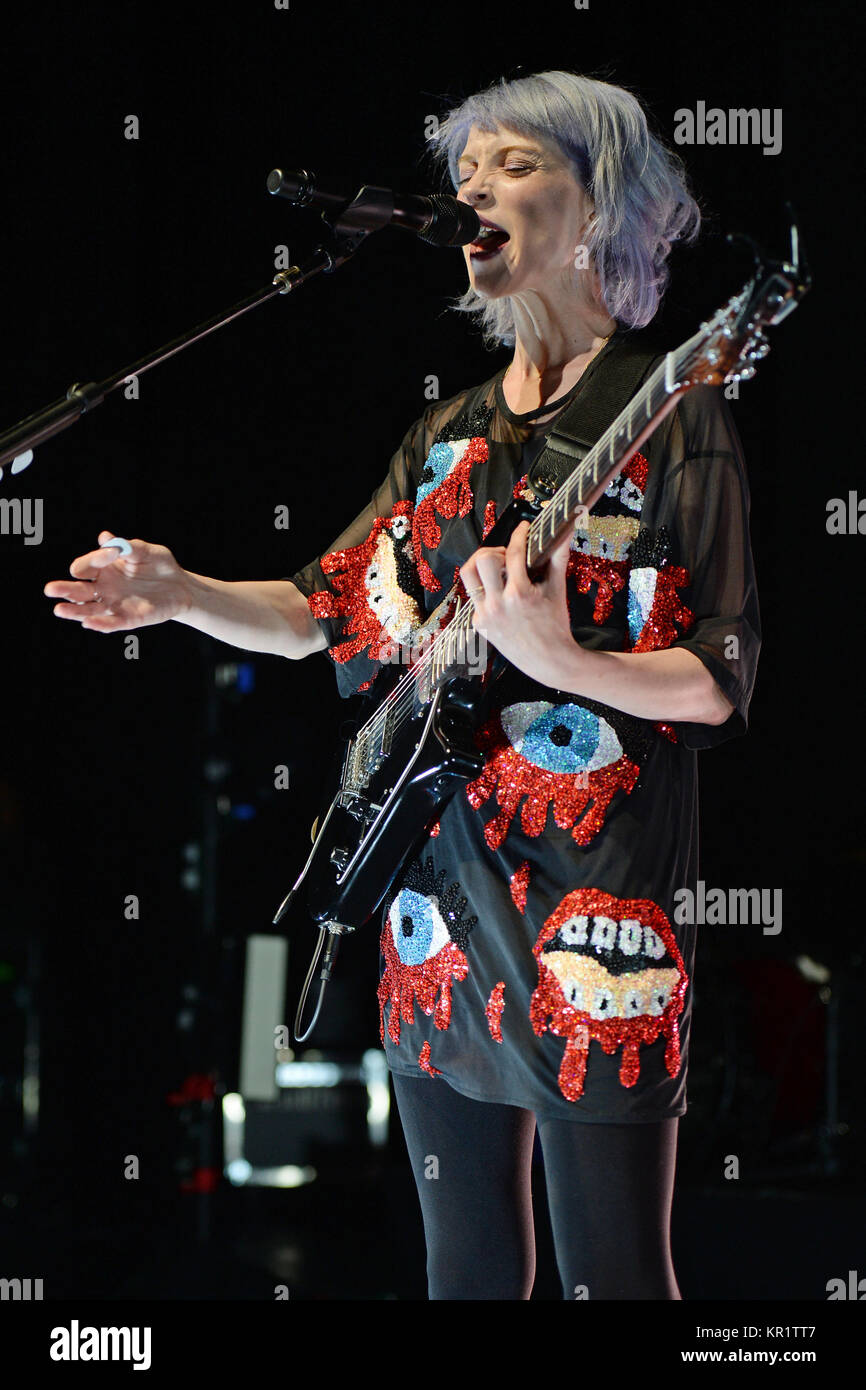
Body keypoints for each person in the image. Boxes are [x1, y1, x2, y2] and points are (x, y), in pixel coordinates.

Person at [44, 70, 760, 1300]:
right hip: (432, 897)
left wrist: (565, 662)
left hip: (598, 921)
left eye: (515, 164)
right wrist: (181, 591)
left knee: (614, 1275)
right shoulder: (451, 436)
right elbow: (330, 613)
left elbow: (717, 677)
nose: (472, 186)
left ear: (597, 209)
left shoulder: (671, 411)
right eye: (466, 167)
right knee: (465, 1269)